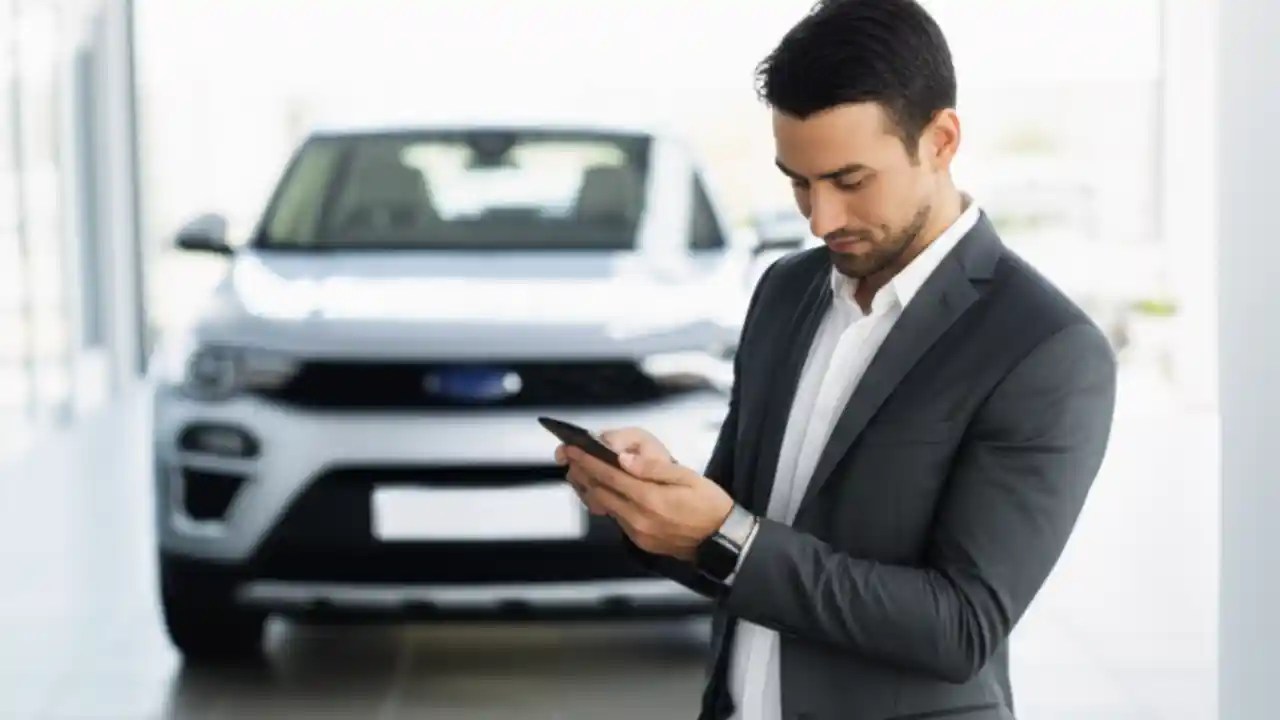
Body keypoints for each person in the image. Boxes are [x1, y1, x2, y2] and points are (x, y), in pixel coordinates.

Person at [554, 1, 1117, 718]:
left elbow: (961, 628)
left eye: (851, 182)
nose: (821, 219)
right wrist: (655, 502)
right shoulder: (785, 291)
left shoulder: (1045, 348)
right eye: (799, 182)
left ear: (941, 140)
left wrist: (725, 535)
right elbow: (737, 541)